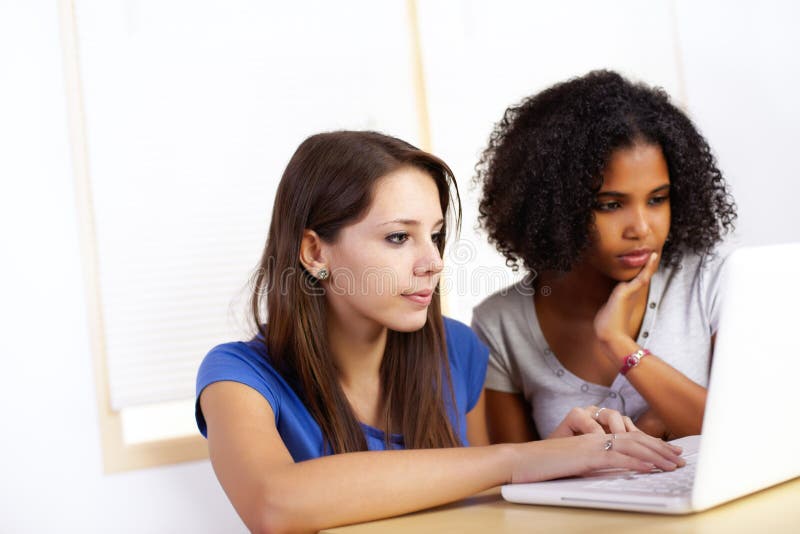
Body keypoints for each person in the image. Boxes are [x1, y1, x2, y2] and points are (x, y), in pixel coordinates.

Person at [195, 130, 684, 533]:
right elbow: (273, 504)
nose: (432, 262)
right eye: (398, 237)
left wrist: (551, 460)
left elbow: (473, 505)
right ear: (315, 253)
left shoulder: (457, 349)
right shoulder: (237, 377)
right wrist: (520, 458)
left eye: (434, 235)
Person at [471, 70, 737, 445]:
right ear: (556, 206)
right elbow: (513, 480)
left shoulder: (711, 280)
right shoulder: (501, 324)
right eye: (610, 205)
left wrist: (618, 343)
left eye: (657, 199)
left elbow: (750, 434)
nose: (641, 227)